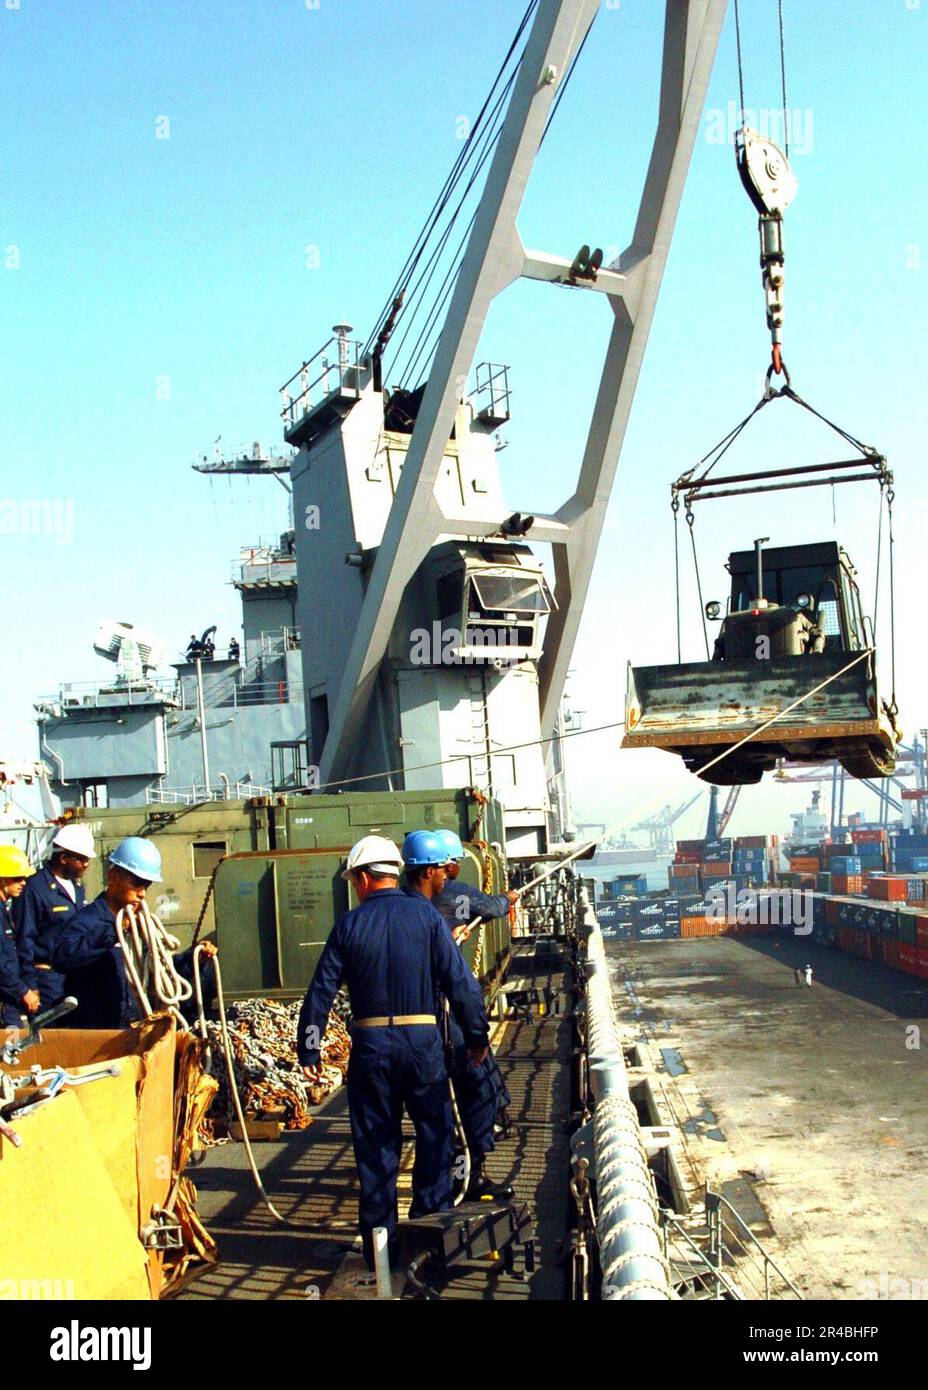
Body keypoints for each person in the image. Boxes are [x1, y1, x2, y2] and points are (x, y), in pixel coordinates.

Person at [296, 834, 489, 1270]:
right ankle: (428, 1237)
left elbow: (321, 990)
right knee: (435, 1138)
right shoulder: (426, 918)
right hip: (422, 1047)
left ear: (364, 878)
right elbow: (461, 984)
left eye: (354, 880)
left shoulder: (347, 925)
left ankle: (379, 1252)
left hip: (371, 1051)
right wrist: (476, 1038)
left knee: (377, 1148)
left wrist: (309, 1050)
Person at [425, 828, 515, 1200]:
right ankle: (471, 1175)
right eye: (455, 863)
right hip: (449, 1019)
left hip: (417, 1022)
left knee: (435, 1106)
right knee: (473, 1088)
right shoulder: (454, 893)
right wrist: (508, 898)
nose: (457, 868)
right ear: (441, 867)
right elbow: (492, 907)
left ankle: (443, 1184)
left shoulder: (406, 904)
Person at [52, 837, 216, 1029]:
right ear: (113, 877)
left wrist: (194, 959)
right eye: (136, 884)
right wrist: (114, 931)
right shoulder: (89, 920)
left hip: (133, 1028)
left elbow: (162, 970)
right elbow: (61, 957)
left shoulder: (141, 925)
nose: (142, 893)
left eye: (146, 886)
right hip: (99, 1031)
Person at [14, 823, 95, 1013]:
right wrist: (30, 985)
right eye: (82, 859)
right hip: (47, 978)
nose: (86, 864)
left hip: (74, 976)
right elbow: (24, 939)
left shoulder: (77, 889)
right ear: (64, 857)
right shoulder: (35, 888)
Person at [0, 846, 40, 1030]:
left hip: (9, 1000)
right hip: (4, 1001)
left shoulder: (4, 910)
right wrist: (23, 991)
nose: (23, 883)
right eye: (17, 878)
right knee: (8, 1052)